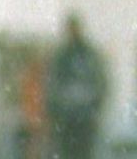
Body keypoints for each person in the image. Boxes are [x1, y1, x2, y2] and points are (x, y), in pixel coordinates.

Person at [46, 13, 108, 159]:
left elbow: (101, 82)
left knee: (84, 152)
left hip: (85, 116)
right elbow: (53, 84)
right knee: (68, 152)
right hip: (67, 117)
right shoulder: (61, 55)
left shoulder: (89, 54)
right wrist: (54, 110)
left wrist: (96, 105)